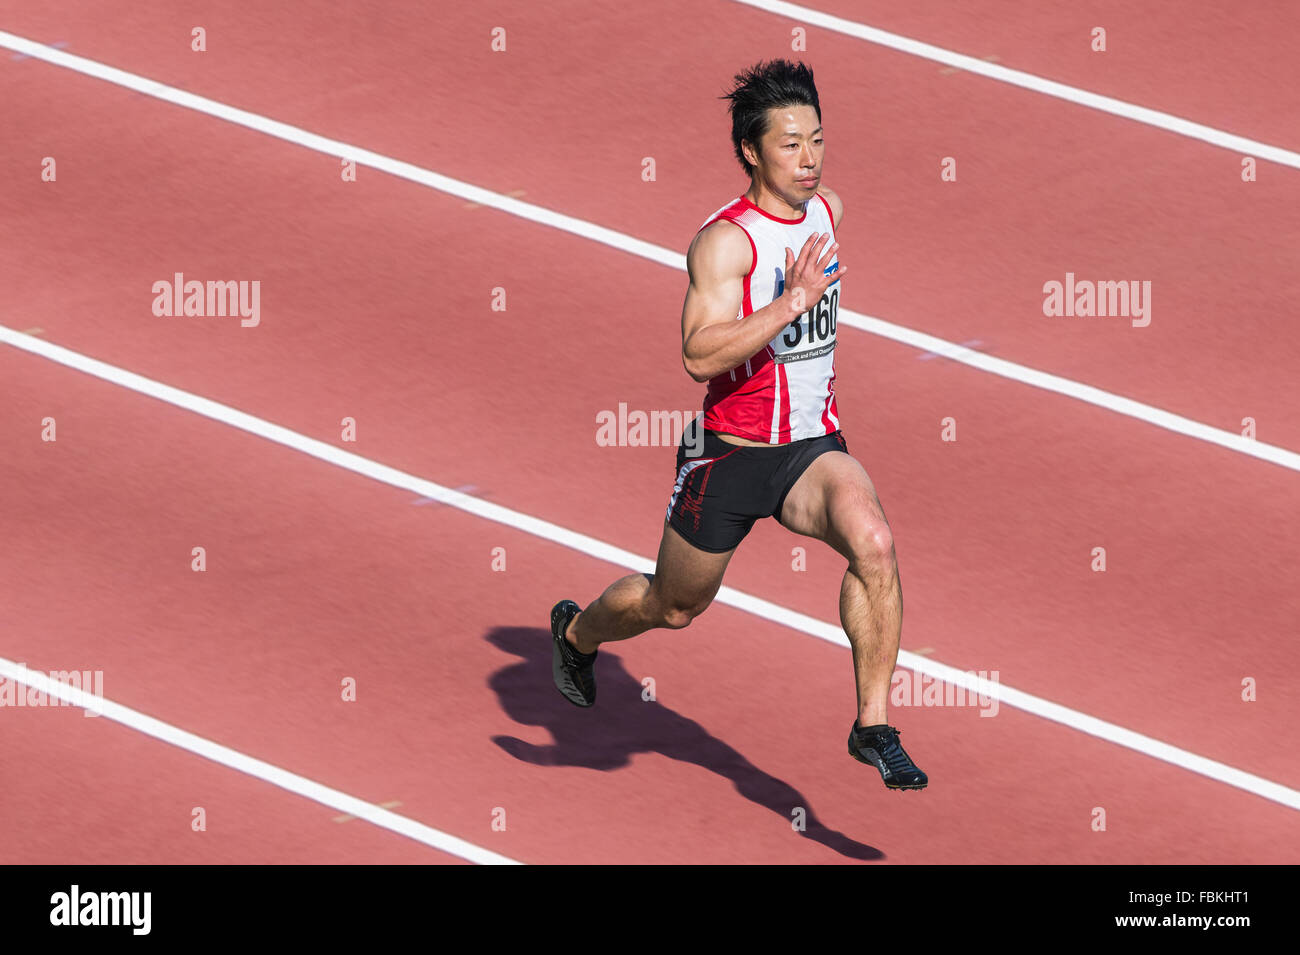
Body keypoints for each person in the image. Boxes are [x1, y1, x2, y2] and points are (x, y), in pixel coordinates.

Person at [550, 59, 927, 790]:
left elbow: (826, 214)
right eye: (790, 144)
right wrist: (789, 303)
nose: (810, 158)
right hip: (728, 455)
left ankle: (874, 725)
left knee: (874, 543)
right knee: (675, 604)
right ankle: (576, 633)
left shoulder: (826, 210)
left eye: (817, 139)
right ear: (751, 151)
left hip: (811, 449)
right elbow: (696, 354)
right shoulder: (725, 244)